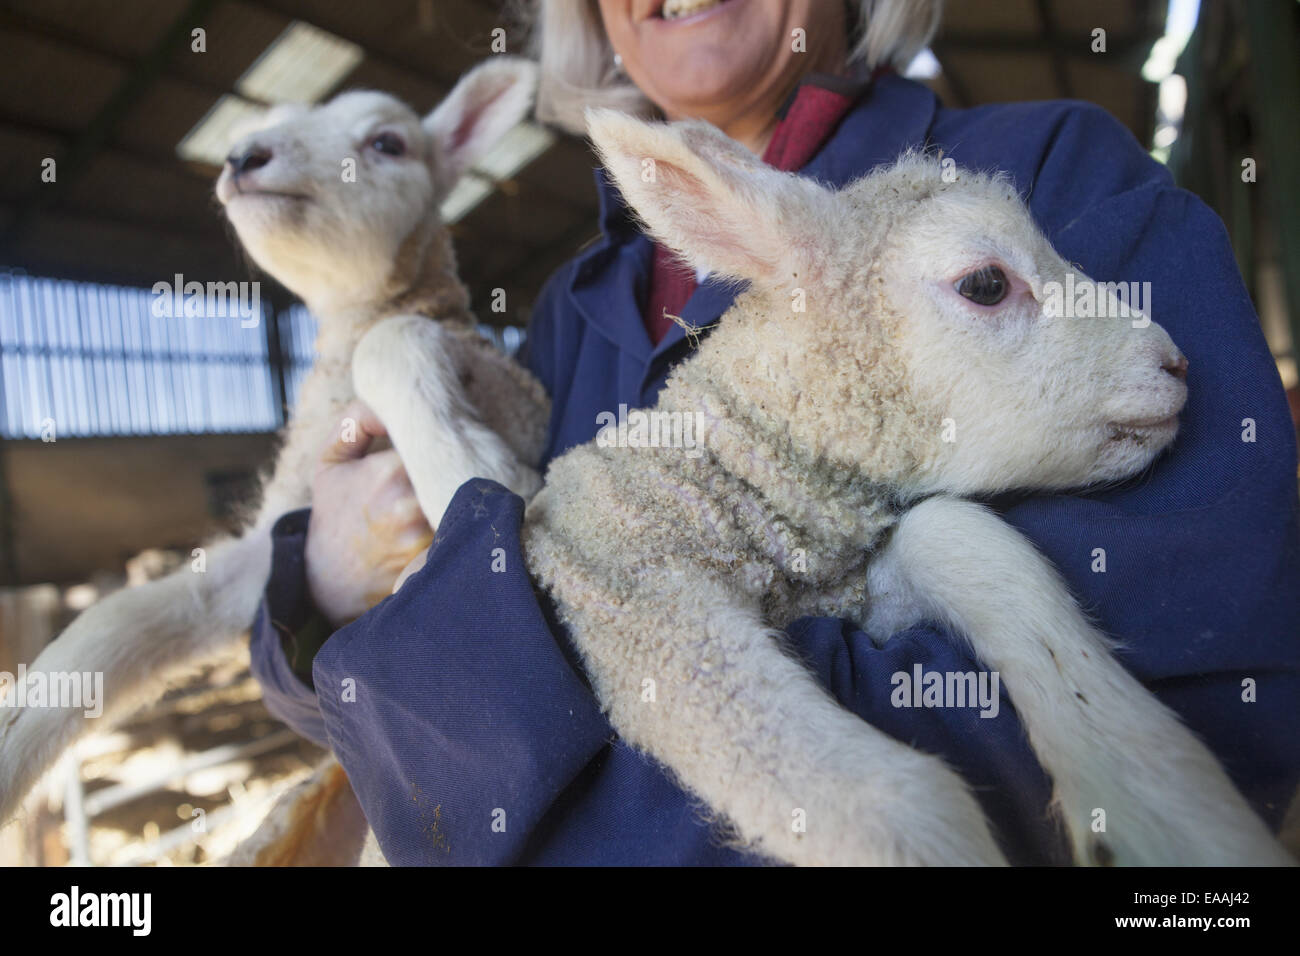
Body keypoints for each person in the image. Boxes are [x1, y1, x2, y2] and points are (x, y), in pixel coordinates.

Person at [249, 0, 1300, 865]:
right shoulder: (568, 308)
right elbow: (400, 682)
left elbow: (1203, 645)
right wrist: (320, 591)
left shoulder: (1048, 172)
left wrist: (535, 795)